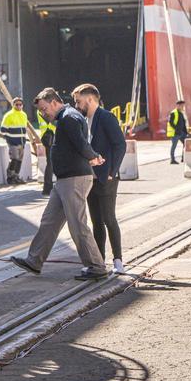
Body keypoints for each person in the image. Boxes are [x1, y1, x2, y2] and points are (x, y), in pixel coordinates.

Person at [11, 88, 108, 280]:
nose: (43, 114)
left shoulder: (68, 118)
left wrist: (93, 156)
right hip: (65, 179)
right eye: (40, 111)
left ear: (54, 102)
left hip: (74, 179)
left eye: (44, 109)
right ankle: (34, 260)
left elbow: (81, 143)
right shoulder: (66, 117)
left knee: (77, 225)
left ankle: (96, 266)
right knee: (49, 221)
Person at [73, 83, 127, 274]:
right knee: (96, 222)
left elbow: (120, 145)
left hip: (106, 177)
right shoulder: (83, 121)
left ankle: (118, 261)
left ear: (90, 99)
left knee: (109, 219)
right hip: (90, 178)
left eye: (78, 101)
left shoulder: (106, 117)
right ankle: (99, 262)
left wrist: (112, 171)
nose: (77, 105)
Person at [0, 98, 30, 184]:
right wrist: (10, 139)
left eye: (20, 104)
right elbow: (3, 130)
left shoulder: (24, 115)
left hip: (22, 142)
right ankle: (10, 177)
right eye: (17, 104)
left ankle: (16, 177)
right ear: (13, 105)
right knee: (14, 159)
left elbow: (24, 129)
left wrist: (23, 141)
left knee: (19, 160)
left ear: (22, 105)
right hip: (12, 142)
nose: (19, 106)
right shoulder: (8, 115)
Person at [34, 102, 56, 195]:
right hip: (49, 135)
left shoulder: (42, 109)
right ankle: (47, 188)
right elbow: (52, 121)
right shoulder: (44, 110)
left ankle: (48, 187)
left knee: (51, 163)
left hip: (48, 136)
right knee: (50, 163)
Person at [167, 98, 190, 164]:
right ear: (178, 105)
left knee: (186, 144)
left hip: (182, 133)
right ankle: (172, 160)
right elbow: (170, 122)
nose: (183, 107)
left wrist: (186, 132)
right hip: (175, 133)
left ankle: (183, 158)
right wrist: (176, 129)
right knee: (174, 146)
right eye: (182, 105)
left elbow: (183, 123)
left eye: (183, 105)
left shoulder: (181, 113)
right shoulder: (173, 113)